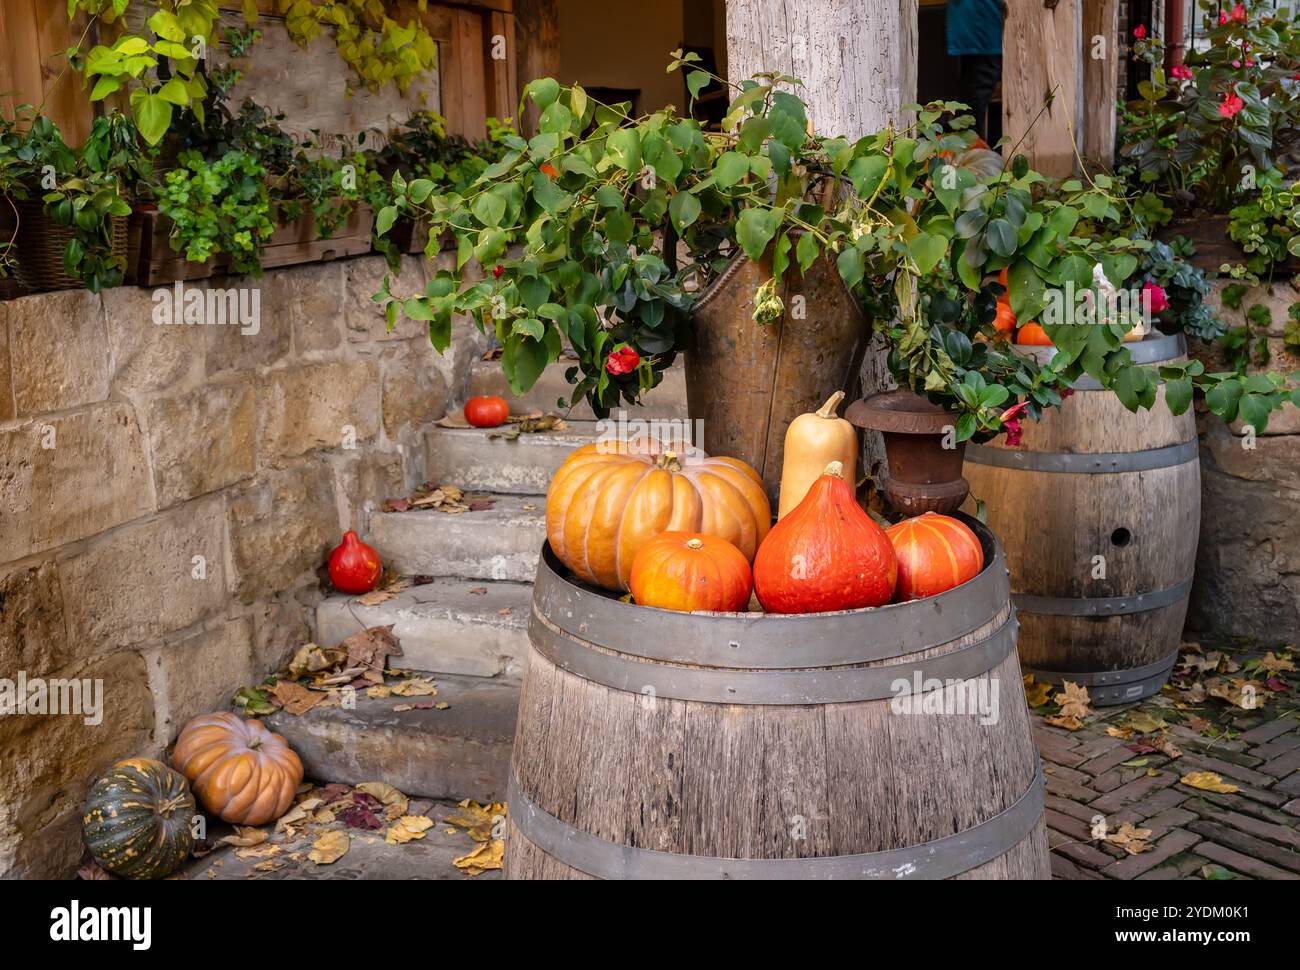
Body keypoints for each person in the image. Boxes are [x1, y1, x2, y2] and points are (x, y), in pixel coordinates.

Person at [946, 0, 1004, 142]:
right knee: (977, 95)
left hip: (980, 22)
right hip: (982, 23)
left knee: (976, 95)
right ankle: (971, 151)